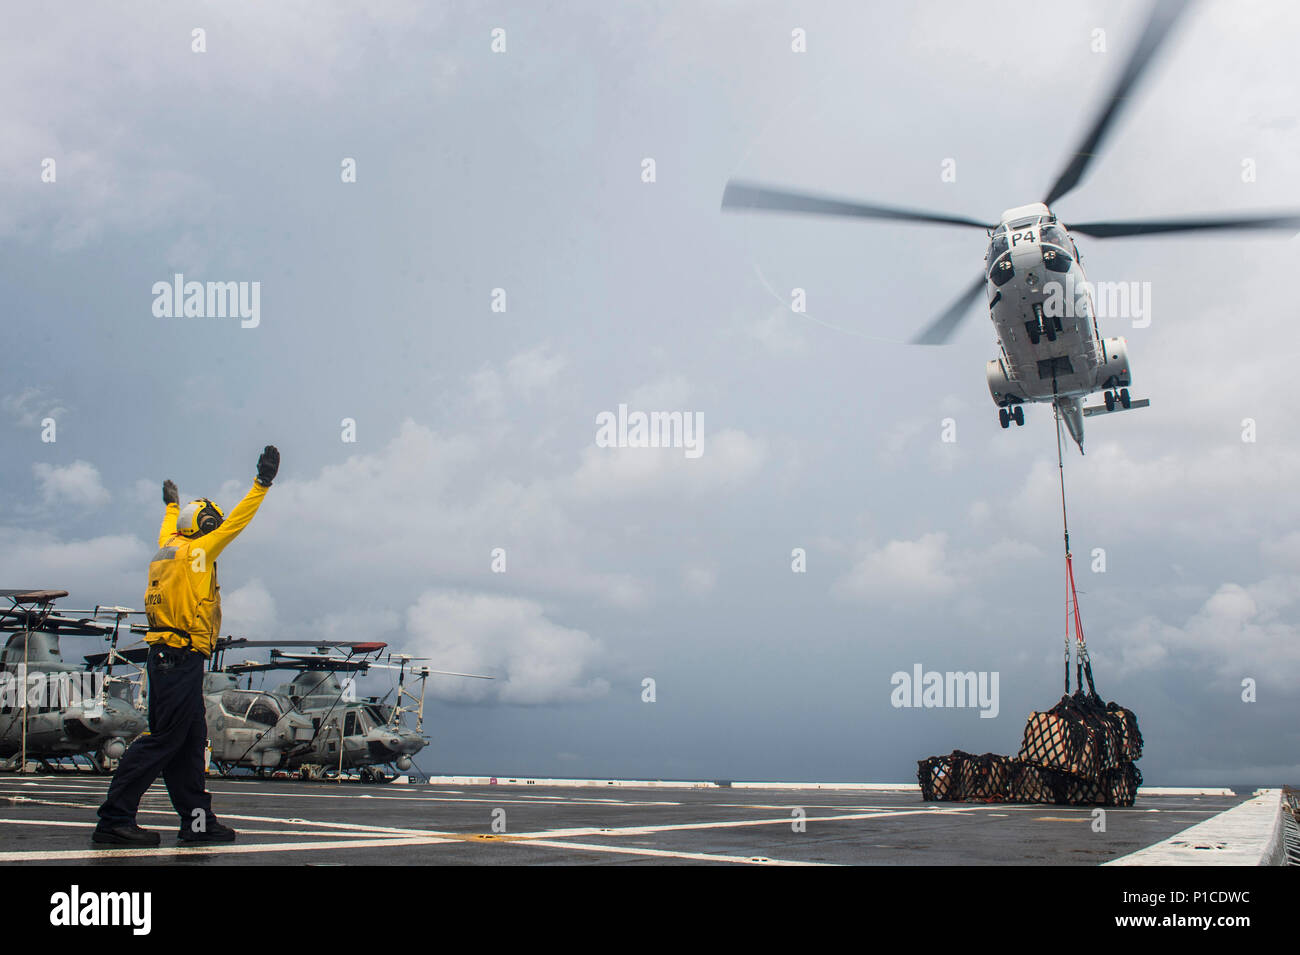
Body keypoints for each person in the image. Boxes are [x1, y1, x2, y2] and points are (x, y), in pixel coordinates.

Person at [93, 446, 280, 846]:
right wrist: (261, 485)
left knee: (190, 744)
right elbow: (238, 523)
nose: (217, 528)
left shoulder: (168, 548)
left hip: (167, 659)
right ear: (206, 525)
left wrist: (170, 506)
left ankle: (197, 823)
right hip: (179, 660)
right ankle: (114, 819)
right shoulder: (199, 551)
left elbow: (168, 529)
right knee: (163, 740)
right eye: (212, 523)